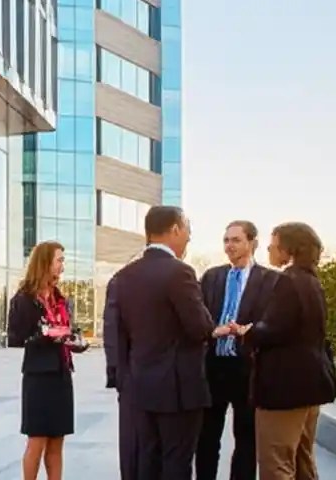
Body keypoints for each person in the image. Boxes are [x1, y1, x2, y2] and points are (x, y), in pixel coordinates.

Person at [109, 205, 215, 480]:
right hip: (178, 390)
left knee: (146, 461)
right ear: (175, 229)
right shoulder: (179, 272)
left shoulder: (122, 277)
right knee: (176, 463)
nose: (189, 237)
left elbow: (115, 336)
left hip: (139, 388)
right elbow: (199, 327)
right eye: (187, 230)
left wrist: (123, 380)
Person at [232, 222, 336, 480]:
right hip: (310, 385)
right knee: (303, 460)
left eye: (273, 242)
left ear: (288, 249)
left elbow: (275, 331)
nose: (269, 247)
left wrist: (247, 332)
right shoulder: (312, 281)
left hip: (284, 389)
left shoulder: (287, 281)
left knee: (276, 462)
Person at [197, 221, 278, 480]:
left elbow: (273, 321)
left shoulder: (271, 280)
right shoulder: (211, 276)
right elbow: (198, 315)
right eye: (226, 240)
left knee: (246, 438)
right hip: (213, 366)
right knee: (206, 437)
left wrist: (247, 330)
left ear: (252, 243)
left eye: (235, 240)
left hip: (247, 367)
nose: (229, 246)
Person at [8, 242, 88, 480]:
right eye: (59, 260)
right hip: (38, 376)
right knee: (37, 440)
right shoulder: (24, 299)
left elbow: (66, 331)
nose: (63, 265)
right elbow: (15, 338)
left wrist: (75, 341)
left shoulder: (59, 298)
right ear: (45, 263)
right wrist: (43, 336)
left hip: (61, 373)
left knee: (57, 440)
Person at [102, 273, 135, 480]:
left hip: (129, 373)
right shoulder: (181, 276)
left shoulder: (120, 279)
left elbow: (111, 327)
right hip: (136, 373)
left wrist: (114, 369)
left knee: (133, 442)